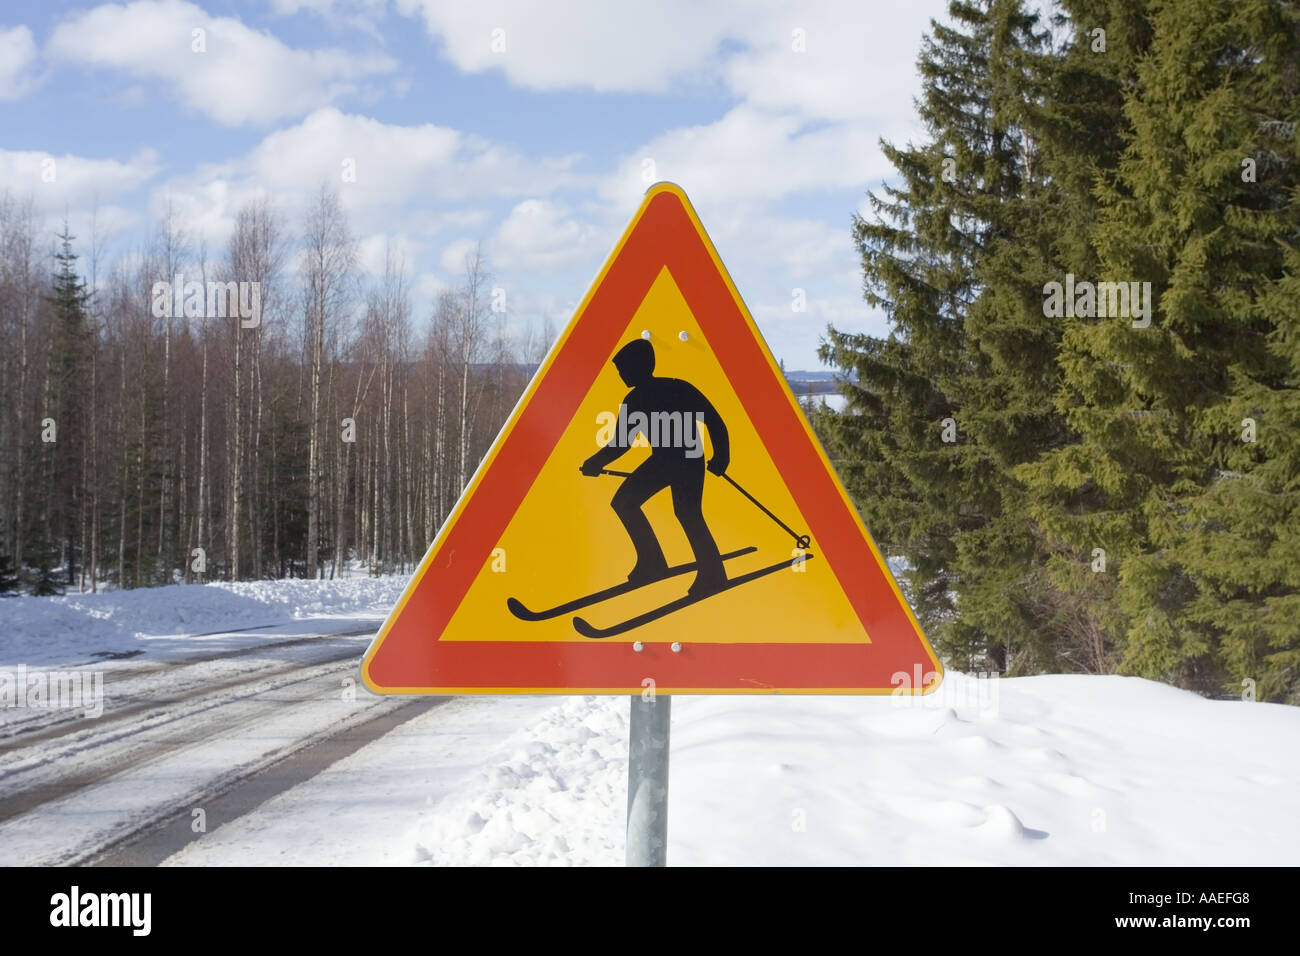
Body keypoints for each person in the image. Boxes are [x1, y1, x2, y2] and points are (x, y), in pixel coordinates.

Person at [580, 338, 729, 598]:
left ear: (638, 367)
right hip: (662, 462)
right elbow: (621, 443)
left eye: (623, 370)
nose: (621, 375)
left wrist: (721, 457)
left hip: (687, 461)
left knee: (687, 513)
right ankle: (652, 562)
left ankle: (713, 572)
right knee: (625, 502)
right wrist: (596, 462)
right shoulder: (645, 396)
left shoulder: (671, 390)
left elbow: (714, 421)